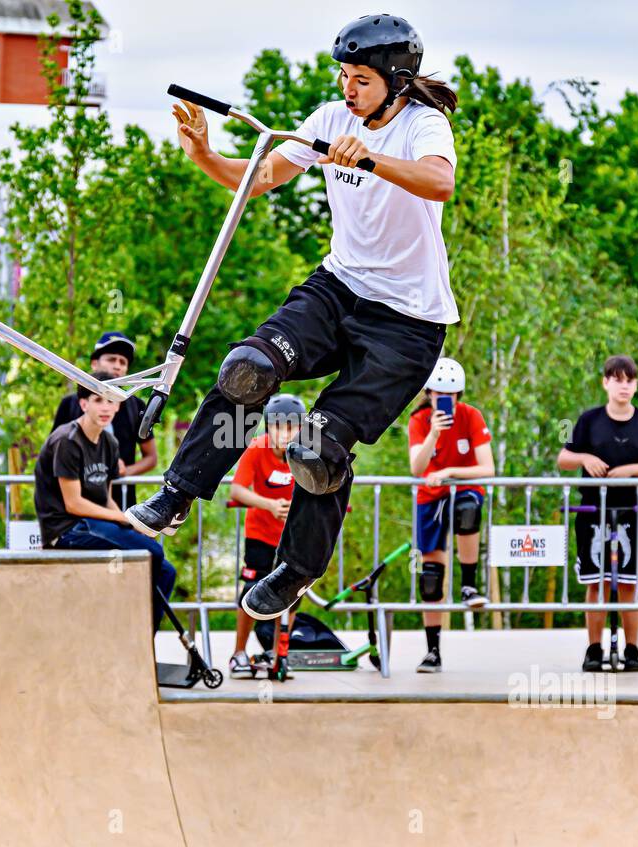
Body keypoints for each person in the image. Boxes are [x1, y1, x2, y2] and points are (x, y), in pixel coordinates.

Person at [127, 14, 459, 628]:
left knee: (316, 450)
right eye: (343, 75)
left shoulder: (423, 124)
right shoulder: (328, 120)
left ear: (396, 79)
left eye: (360, 79)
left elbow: (440, 182)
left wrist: (375, 161)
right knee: (248, 370)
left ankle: (297, 569)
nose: (347, 89)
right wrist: (204, 154)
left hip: (407, 325)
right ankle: (178, 492)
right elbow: (258, 179)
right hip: (338, 290)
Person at [556, 355, 638, 673]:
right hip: (593, 511)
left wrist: (631, 471)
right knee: (595, 582)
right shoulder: (589, 420)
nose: (624, 386)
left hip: (633, 512)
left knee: (629, 584)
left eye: (630, 380)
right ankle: (593, 649)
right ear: (605, 382)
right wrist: (584, 458)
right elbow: (563, 457)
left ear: (636, 385)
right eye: (617, 379)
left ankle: (632, 649)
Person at [36, 375, 176, 633]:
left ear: (119, 405)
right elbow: (74, 504)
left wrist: (128, 523)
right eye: (98, 400)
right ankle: (125, 628)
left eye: (111, 401)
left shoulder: (110, 443)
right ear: (83, 404)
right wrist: (123, 519)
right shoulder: (67, 440)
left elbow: (105, 497)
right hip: (66, 529)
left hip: (94, 525)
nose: (105, 407)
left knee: (167, 571)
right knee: (152, 553)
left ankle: (142, 640)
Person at [407, 357, 495, 673]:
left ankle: (469, 584)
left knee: (468, 510)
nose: (447, 402)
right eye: (439, 395)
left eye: (453, 395)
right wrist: (433, 434)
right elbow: (416, 468)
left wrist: (449, 472)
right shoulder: (418, 421)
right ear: (429, 393)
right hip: (430, 496)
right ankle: (433, 651)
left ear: (460, 395)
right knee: (431, 579)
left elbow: (488, 468)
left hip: (463, 488)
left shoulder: (471, 417)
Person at [227, 393, 304, 677]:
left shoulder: (308, 452)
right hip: (260, 532)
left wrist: (296, 510)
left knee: (292, 592)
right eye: (278, 426)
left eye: (291, 426)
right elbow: (237, 490)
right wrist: (270, 505)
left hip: (294, 536)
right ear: (268, 427)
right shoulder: (257, 448)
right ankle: (239, 652)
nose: (284, 433)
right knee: (251, 592)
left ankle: (278, 651)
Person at [51, 331, 157, 508]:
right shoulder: (71, 404)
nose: (117, 366)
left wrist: (124, 471)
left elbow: (151, 457)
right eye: (111, 359)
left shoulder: (136, 406)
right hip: (77, 503)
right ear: (94, 364)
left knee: (134, 537)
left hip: (121, 502)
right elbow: (54, 452)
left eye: (123, 362)